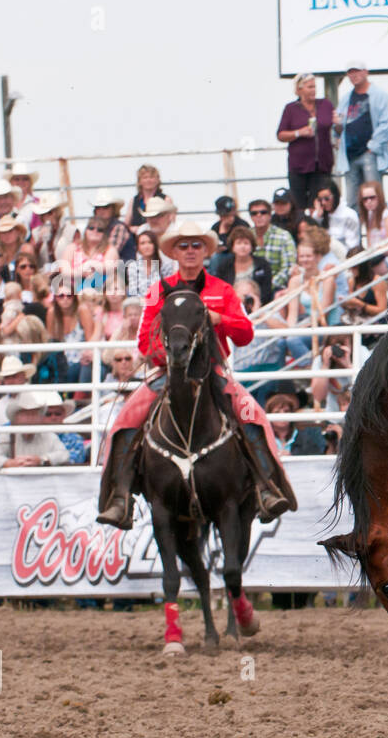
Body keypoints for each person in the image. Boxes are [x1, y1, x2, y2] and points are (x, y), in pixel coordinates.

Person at [96, 220, 296, 528]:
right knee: (125, 419)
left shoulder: (223, 290)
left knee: (253, 415)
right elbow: (144, 341)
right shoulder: (157, 291)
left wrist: (220, 319)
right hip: (168, 373)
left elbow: (245, 333)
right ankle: (120, 498)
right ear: (174, 251)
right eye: (184, 245)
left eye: (196, 245)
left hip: (214, 372)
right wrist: (174, 357)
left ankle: (266, 487)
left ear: (205, 251)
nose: (190, 251)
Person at [334, 60, 388, 213]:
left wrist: (373, 147)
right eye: (350, 72)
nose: (353, 75)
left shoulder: (379, 95)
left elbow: (387, 121)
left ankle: (377, 233)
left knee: (374, 198)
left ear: (365, 72)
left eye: (357, 71)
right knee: (352, 202)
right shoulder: (346, 98)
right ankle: (355, 235)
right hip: (349, 156)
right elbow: (338, 127)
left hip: (370, 155)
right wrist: (336, 127)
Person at [277, 72, 337, 212]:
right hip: (299, 165)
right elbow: (280, 134)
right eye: (309, 87)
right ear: (299, 90)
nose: (313, 90)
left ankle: (317, 230)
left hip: (322, 164)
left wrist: (339, 124)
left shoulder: (325, 105)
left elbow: (336, 129)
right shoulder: (291, 109)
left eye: (314, 87)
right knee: (298, 204)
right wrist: (299, 132)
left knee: (318, 203)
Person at [0, 390, 74, 469]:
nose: (30, 419)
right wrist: (9, 463)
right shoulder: (8, 435)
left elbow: (64, 455)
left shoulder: (48, 434)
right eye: (25, 415)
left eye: (33, 414)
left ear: (39, 417)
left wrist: (42, 460)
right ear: (16, 418)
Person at [215, 226, 273, 306]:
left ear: (252, 246)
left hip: (258, 305)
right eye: (239, 243)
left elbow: (267, 291)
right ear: (232, 247)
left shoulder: (263, 264)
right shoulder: (224, 266)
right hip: (232, 305)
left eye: (246, 243)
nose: (243, 247)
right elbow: (220, 290)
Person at [248, 198, 297, 288]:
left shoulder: (283, 236)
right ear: (250, 217)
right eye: (254, 213)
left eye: (263, 212)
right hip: (250, 287)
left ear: (270, 215)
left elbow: (288, 268)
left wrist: (268, 286)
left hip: (277, 287)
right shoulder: (246, 236)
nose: (259, 215)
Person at [307, 182, 360, 255]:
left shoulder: (349, 215)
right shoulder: (319, 215)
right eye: (320, 200)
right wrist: (317, 217)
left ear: (335, 196)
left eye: (326, 198)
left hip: (344, 256)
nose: (323, 202)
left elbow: (352, 245)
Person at [126, 228, 176, 301]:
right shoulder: (133, 266)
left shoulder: (165, 265)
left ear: (155, 245)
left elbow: (168, 290)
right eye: (142, 243)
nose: (147, 246)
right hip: (139, 305)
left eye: (150, 242)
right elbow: (133, 292)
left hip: (160, 304)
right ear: (138, 247)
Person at [91, 189, 135, 263]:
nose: (101, 210)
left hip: (122, 270)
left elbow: (111, 252)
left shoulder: (119, 227)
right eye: (98, 207)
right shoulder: (94, 228)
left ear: (113, 209)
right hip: (102, 267)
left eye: (106, 207)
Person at [125, 164, 167, 229]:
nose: (148, 180)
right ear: (139, 181)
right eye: (145, 177)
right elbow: (126, 225)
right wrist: (133, 229)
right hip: (137, 237)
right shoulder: (134, 200)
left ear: (158, 180)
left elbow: (170, 222)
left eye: (151, 177)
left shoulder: (165, 199)